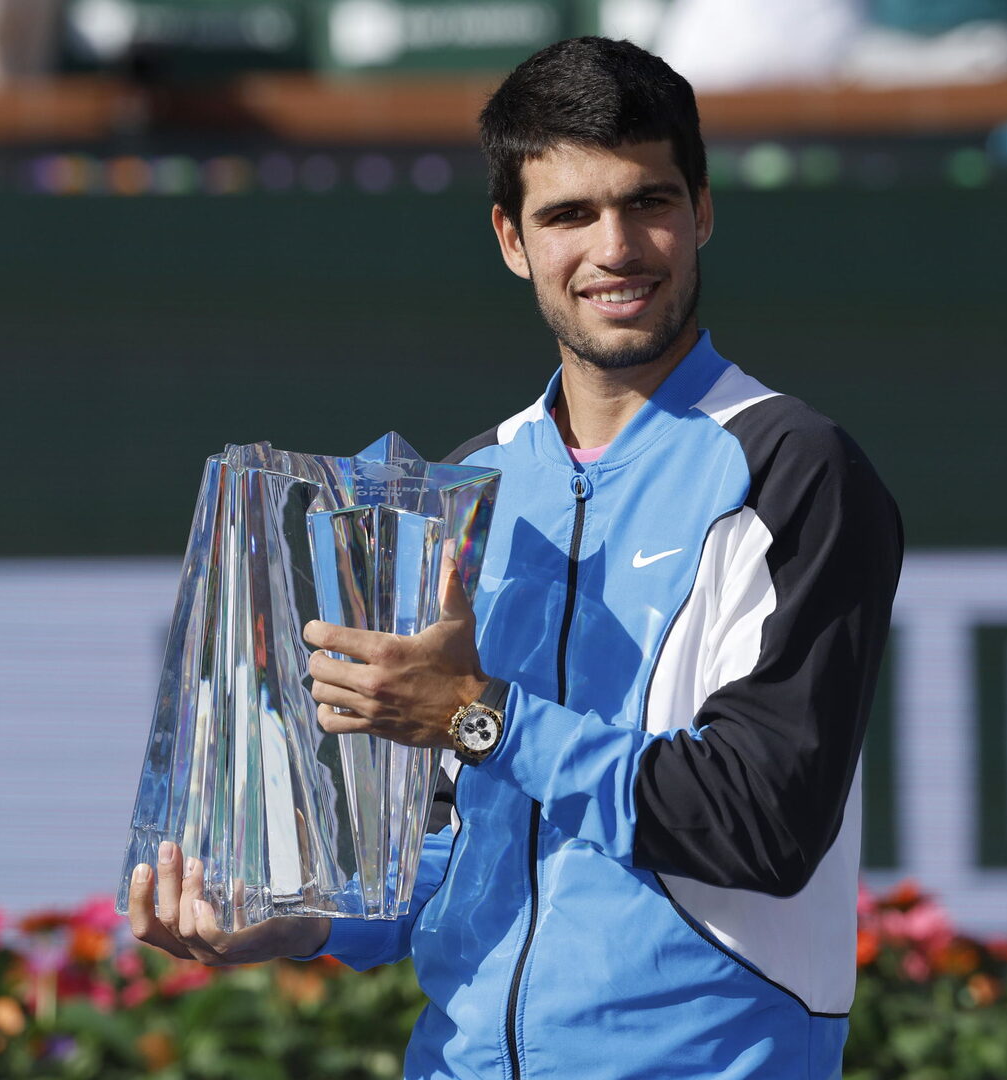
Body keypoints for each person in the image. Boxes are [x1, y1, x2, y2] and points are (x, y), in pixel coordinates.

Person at [128, 36, 902, 1080]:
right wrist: (297, 922)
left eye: (650, 203)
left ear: (704, 211)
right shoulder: (473, 482)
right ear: (510, 237)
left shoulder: (793, 469)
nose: (617, 247)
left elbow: (762, 823)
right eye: (569, 214)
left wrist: (476, 715)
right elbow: (463, 842)